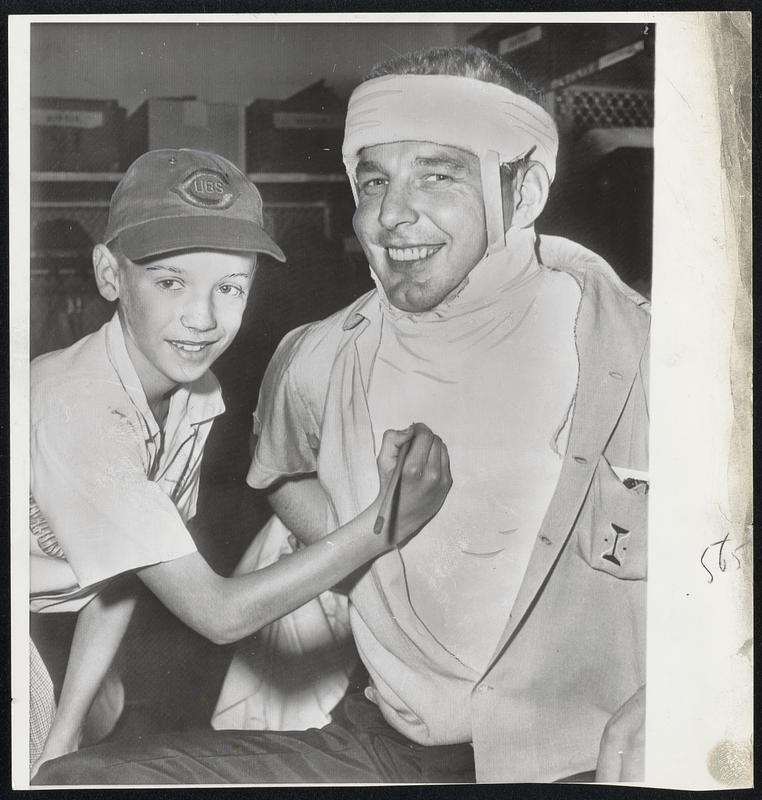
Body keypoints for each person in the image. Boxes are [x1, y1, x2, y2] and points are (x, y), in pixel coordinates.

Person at [34, 45, 650, 785]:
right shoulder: (321, 359)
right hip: (383, 748)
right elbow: (276, 475)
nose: (392, 215)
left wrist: (693, 686)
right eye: (374, 179)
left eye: (438, 174)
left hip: (581, 759)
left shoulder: (650, 354)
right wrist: (372, 548)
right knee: (76, 782)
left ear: (524, 192)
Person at [29, 149, 451, 779]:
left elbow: (120, 576)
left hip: (48, 631)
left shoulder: (191, 398)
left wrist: (66, 727)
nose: (202, 319)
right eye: (170, 281)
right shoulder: (80, 410)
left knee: (69, 759)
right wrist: (382, 525)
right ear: (110, 275)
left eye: (230, 287)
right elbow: (219, 615)